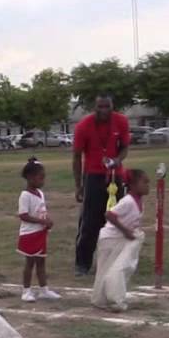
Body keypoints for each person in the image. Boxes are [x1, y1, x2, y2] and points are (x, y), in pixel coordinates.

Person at [72, 95, 131, 276]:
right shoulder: (83, 126)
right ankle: (83, 263)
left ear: (112, 106)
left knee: (117, 219)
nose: (104, 110)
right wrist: (79, 186)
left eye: (107, 106)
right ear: (94, 106)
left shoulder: (121, 121)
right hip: (93, 176)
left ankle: (116, 260)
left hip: (115, 176)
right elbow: (76, 157)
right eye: (100, 107)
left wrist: (117, 160)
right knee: (90, 222)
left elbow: (125, 148)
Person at [92, 169, 149, 312]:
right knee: (113, 269)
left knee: (112, 269)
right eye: (145, 182)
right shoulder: (128, 201)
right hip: (109, 239)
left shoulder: (139, 200)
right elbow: (110, 215)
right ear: (133, 185)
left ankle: (102, 300)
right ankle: (113, 300)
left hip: (118, 238)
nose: (148, 185)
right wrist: (125, 231)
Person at [16, 158, 61, 303]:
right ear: (30, 178)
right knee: (30, 263)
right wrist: (42, 221)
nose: (43, 180)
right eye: (40, 177)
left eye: (43, 177)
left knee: (41, 262)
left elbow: (42, 210)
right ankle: (26, 290)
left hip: (41, 232)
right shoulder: (25, 195)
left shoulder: (40, 193)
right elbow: (23, 215)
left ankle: (44, 290)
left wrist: (47, 221)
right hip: (29, 234)